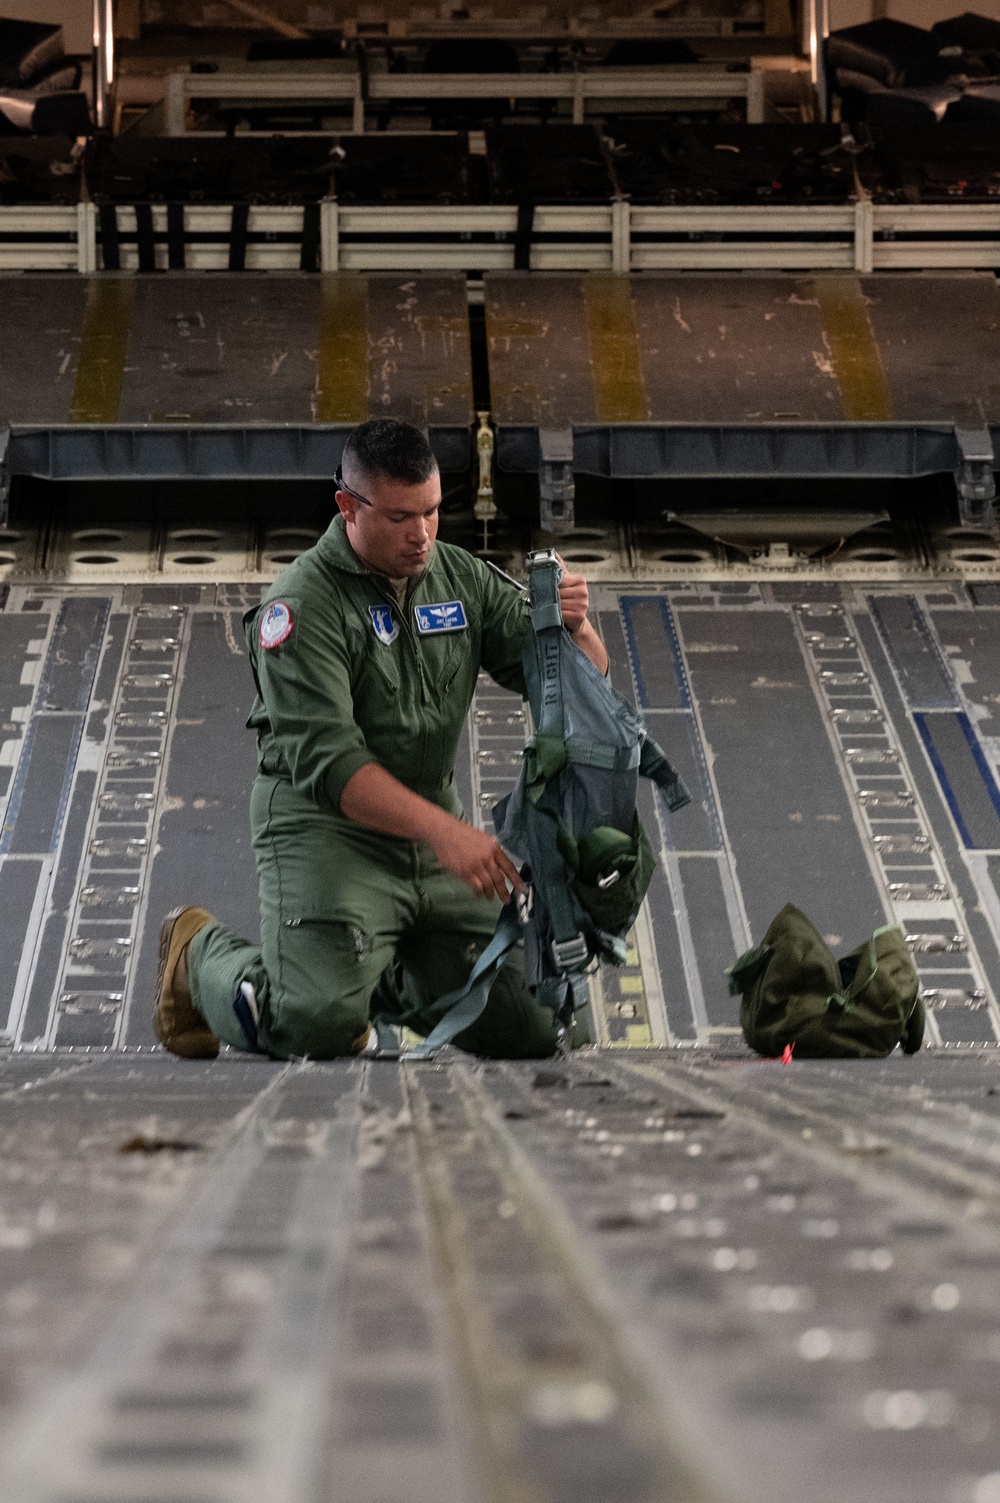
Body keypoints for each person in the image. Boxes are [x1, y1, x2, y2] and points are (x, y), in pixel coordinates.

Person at [153, 418, 609, 1061]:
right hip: (327, 830)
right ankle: (198, 955)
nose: (421, 534)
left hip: (429, 831)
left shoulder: (461, 578)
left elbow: (577, 694)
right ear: (348, 506)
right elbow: (334, 766)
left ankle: (377, 967)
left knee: (540, 1026)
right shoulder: (300, 607)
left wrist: (577, 631)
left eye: (431, 512)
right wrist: (447, 833)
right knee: (315, 1025)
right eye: (400, 517)